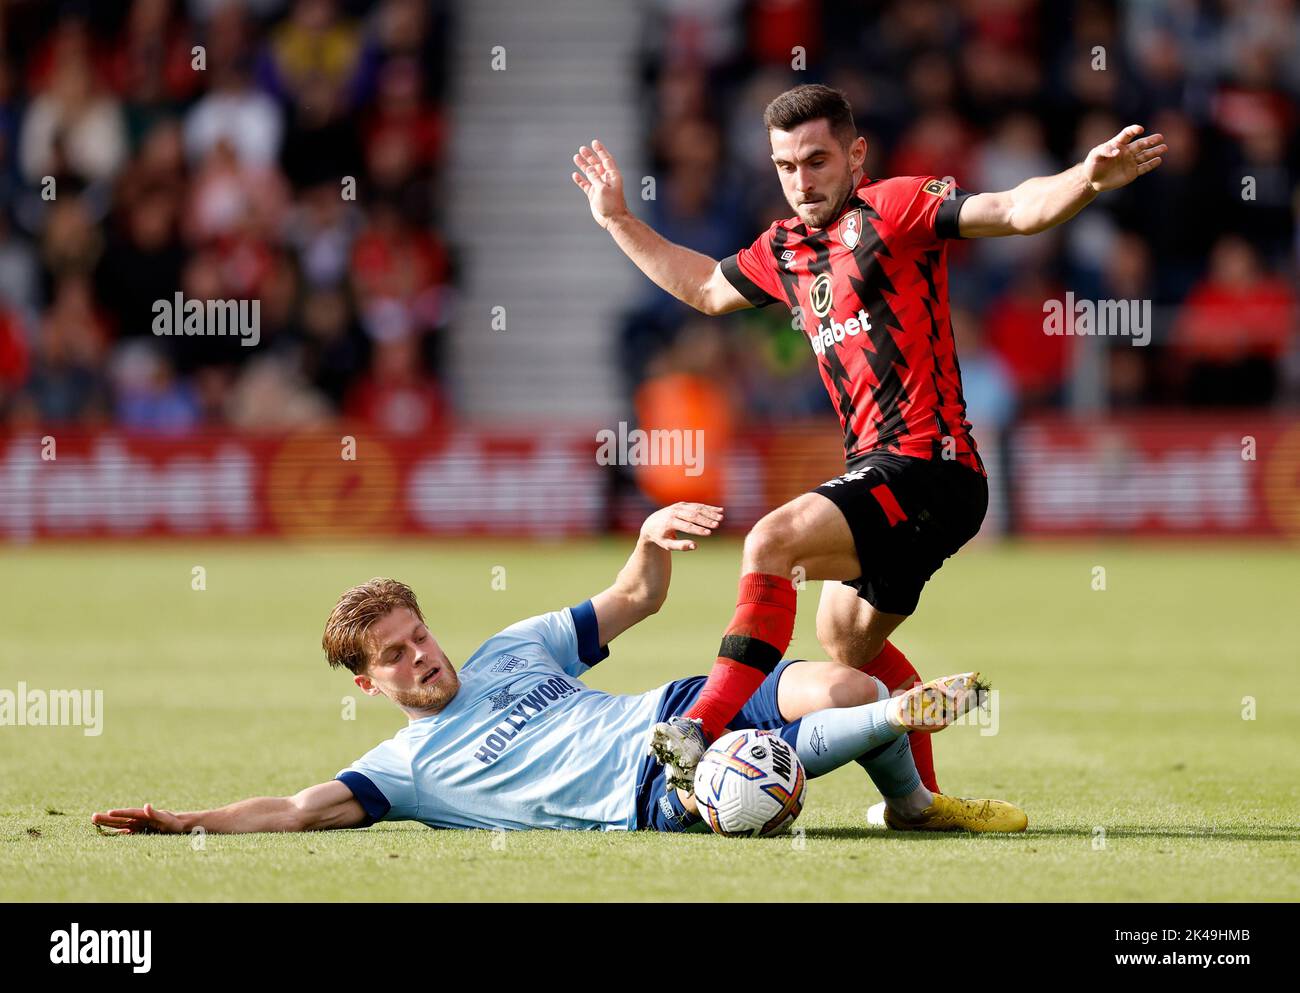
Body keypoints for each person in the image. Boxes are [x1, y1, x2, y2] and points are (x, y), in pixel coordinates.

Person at [572, 84, 1166, 791]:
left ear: (856, 155)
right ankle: (922, 800)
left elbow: (1010, 208)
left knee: (770, 541)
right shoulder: (786, 247)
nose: (802, 180)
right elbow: (704, 287)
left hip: (932, 466)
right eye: (786, 166)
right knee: (845, 641)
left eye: (817, 160)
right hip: (885, 472)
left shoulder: (897, 207)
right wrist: (617, 222)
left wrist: (1085, 180)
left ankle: (699, 729)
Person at [91, 503, 1026, 836]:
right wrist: (187, 821)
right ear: (366, 684)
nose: (421, 655)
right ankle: (898, 719)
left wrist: (651, 536)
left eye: (418, 634)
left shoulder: (509, 647)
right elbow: (295, 811)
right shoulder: (402, 773)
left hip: (675, 710)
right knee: (750, 789)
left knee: (840, 681)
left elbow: (635, 598)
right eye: (395, 655)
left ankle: (907, 798)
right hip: (653, 792)